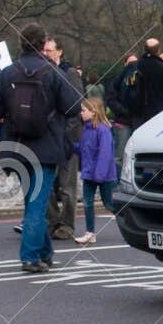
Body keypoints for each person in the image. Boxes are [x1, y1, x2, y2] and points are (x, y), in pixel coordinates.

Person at [0, 21, 83, 273]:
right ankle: (30, 256)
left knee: (33, 201)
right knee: (37, 204)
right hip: (46, 145)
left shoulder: (8, 72)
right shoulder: (52, 72)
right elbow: (73, 106)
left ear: (21, 44)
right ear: (42, 45)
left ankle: (45, 253)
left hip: (17, 145)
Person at [41, 37, 85, 241]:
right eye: (44, 50)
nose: (46, 54)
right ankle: (52, 221)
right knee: (47, 185)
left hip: (67, 137)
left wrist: (68, 137)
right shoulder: (41, 73)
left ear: (59, 52)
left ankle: (67, 224)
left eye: (50, 50)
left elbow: (76, 108)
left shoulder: (70, 73)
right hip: (47, 137)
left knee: (67, 186)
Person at [74, 97, 116, 246]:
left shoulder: (103, 131)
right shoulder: (87, 129)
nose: (81, 113)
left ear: (93, 112)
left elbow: (105, 155)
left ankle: (131, 223)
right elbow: (85, 150)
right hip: (89, 173)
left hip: (103, 176)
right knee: (87, 203)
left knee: (109, 204)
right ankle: (90, 233)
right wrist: (73, 147)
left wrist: (99, 175)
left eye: (84, 110)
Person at [133, 38, 163, 123]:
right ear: (158, 50)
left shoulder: (135, 66)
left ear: (144, 49)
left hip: (137, 111)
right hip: (158, 110)